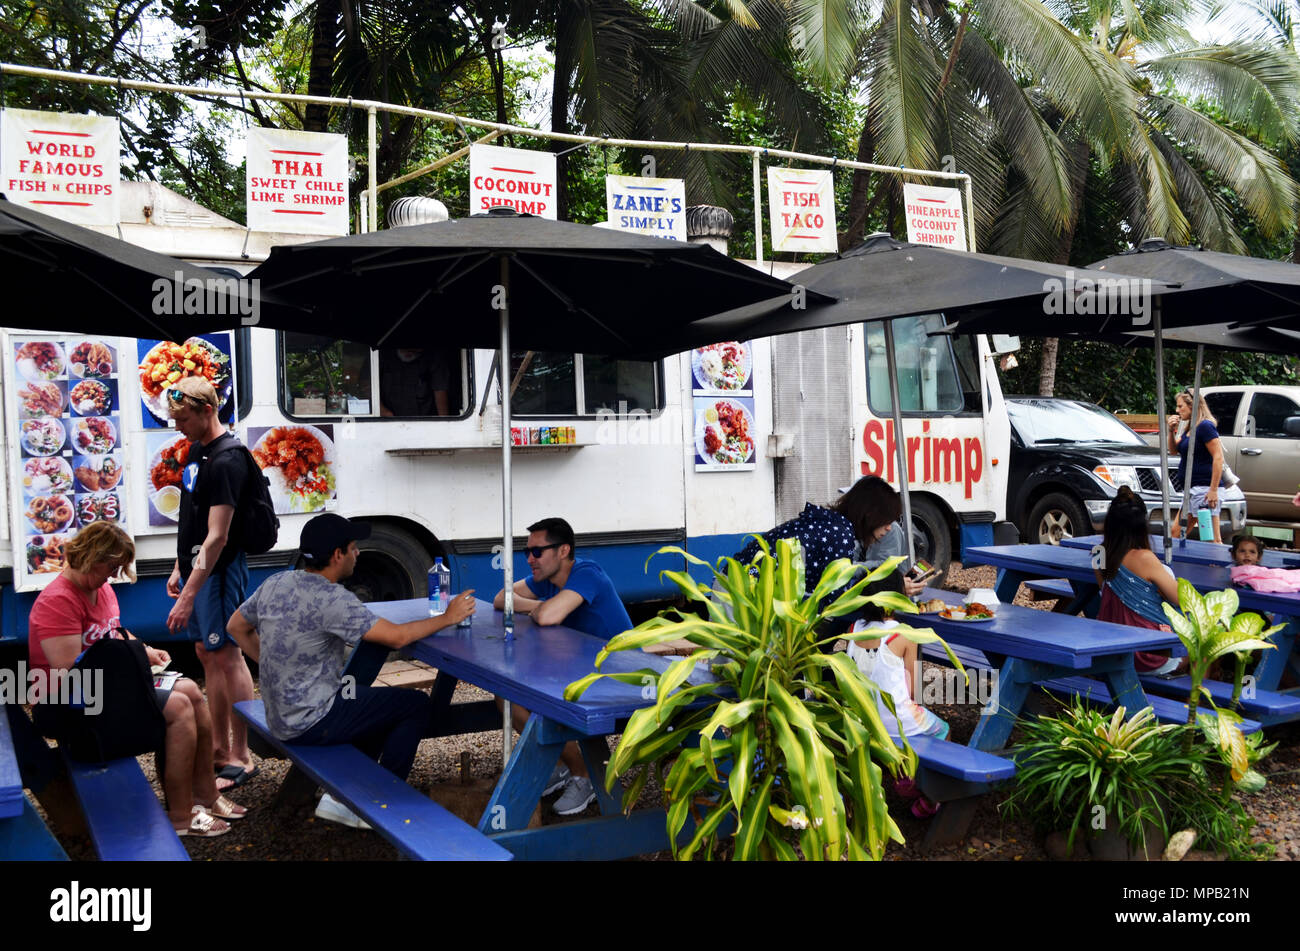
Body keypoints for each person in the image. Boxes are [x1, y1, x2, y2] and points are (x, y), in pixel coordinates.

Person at [226, 513, 474, 828]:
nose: (358, 554)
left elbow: (236, 626)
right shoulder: (333, 598)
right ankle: (374, 803)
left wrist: (275, 667)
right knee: (415, 705)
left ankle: (350, 794)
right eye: (354, 548)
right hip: (310, 720)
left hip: (280, 714)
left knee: (371, 702)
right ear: (337, 555)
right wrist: (447, 616)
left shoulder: (277, 582)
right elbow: (396, 637)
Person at [29, 523, 246, 837]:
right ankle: (181, 817)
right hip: (71, 704)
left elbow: (114, 632)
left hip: (103, 688)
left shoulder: (100, 589)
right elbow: (69, 672)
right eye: (112, 566)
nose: (115, 575)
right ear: (91, 557)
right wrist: (131, 675)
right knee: (179, 707)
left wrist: (145, 651)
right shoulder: (57, 602)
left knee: (192, 692)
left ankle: (206, 795)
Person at [492, 517, 634, 816]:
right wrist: (538, 605)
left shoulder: (586, 573)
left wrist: (543, 609)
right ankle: (564, 766)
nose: (530, 558)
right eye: (526, 551)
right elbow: (500, 597)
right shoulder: (548, 581)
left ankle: (586, 775)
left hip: (622, 674)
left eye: (537, 551)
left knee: (535, 698)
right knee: (505, 695)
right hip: (579, 668)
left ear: (563, 550)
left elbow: (548, 618)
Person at [164, 376, 258, 792]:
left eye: (184, 419)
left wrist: (188, 595)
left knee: (227, 655)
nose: (178, 427)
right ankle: (219, 746)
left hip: (218, 572)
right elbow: (193, 519)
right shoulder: (198, 450)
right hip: (198, 568)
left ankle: (242, 754)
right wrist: (178, 566)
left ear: (207, 411)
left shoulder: (227, 460)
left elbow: (217, 536)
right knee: (206, 651)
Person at [1094, 487, 1184, 675]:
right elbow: (1180, 599)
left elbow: (1104, 590)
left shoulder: (1098, 552)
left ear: (1110, 522)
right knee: (1206, 645)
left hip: (1108, 648)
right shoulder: (1145, 558)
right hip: (1146, 656)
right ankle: (1190, 703)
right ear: (1143, 525)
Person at [1167, 388, 1241, 544]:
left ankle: (1216, 566)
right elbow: (1173, 450)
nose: (1177, 410)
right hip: (1194, 491)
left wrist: (1213, 490)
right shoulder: (1190, 428)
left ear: (1193, 406)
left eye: (1181, 406)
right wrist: (1170, 431)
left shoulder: (1205, 426)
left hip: (1204, 491)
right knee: (1179, 532)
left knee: (1210, 538)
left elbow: (1218, 456)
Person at [379, 348, 454, 417]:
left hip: (424, 422)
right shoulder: (381, 355)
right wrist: (381, 409)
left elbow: (440, 391)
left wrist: (444, 423)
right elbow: (369, 386)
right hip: (389, 423)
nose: (409, 351)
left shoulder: (433, 358)